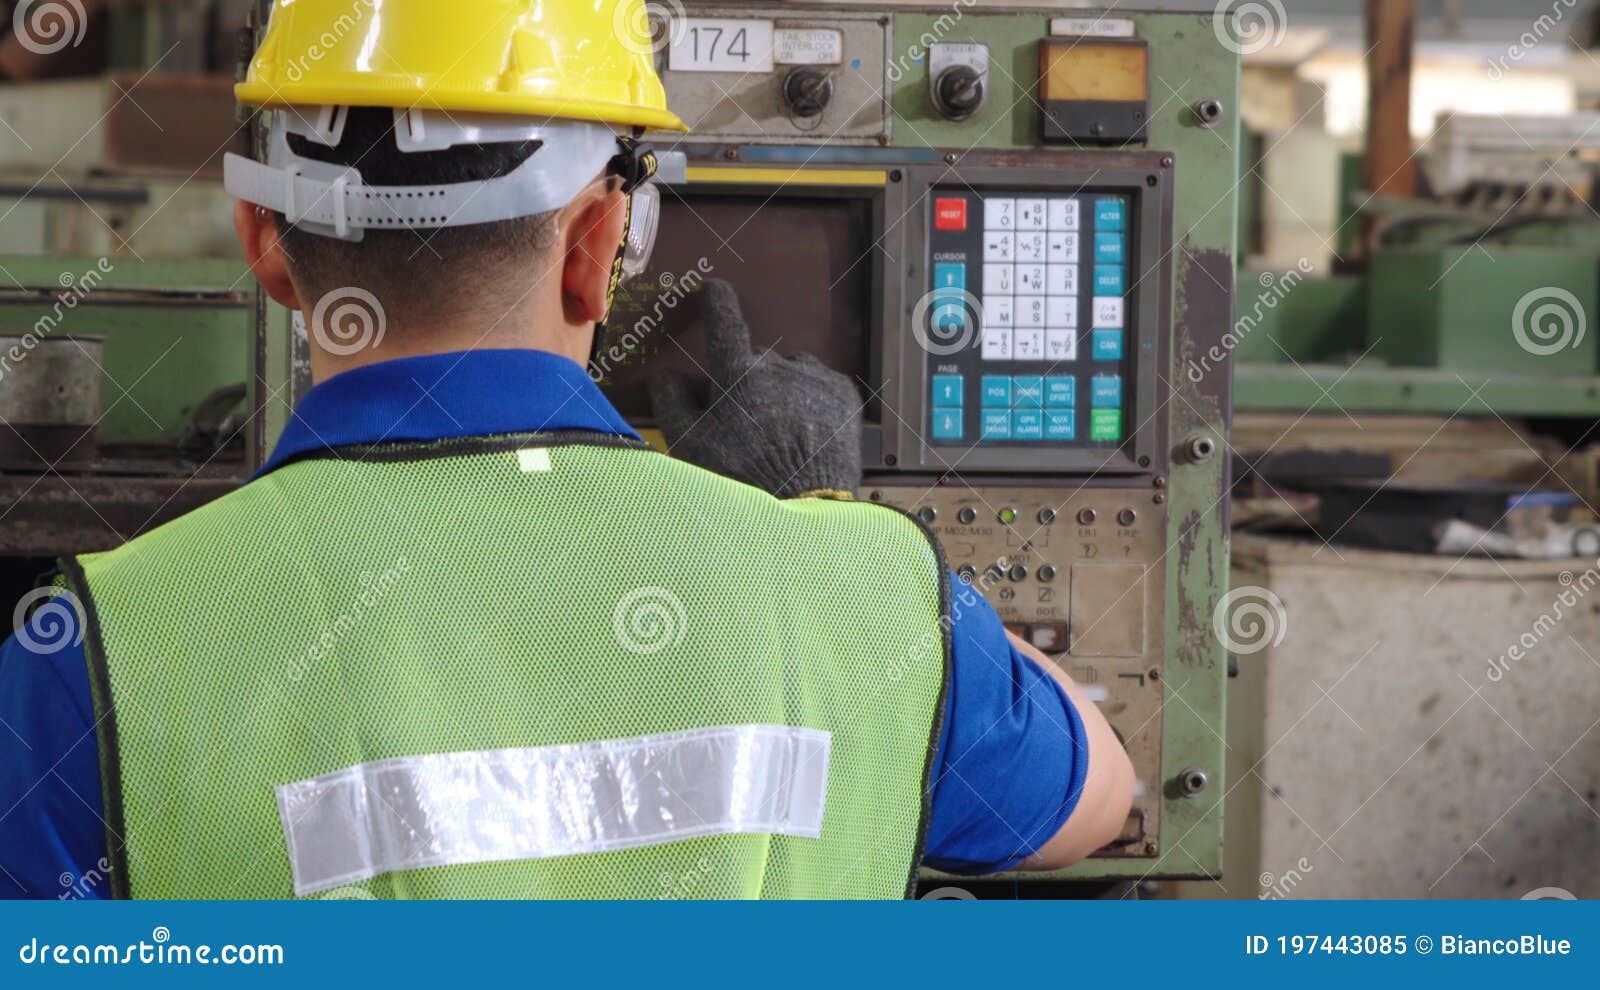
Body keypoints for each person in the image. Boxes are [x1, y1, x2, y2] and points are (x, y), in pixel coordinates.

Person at [0, 0, 1133, 899]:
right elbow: (1099, 798)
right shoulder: (874, 596)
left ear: (265, 243)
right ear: (599, 244)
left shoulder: (90, 658)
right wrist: (819, 520)